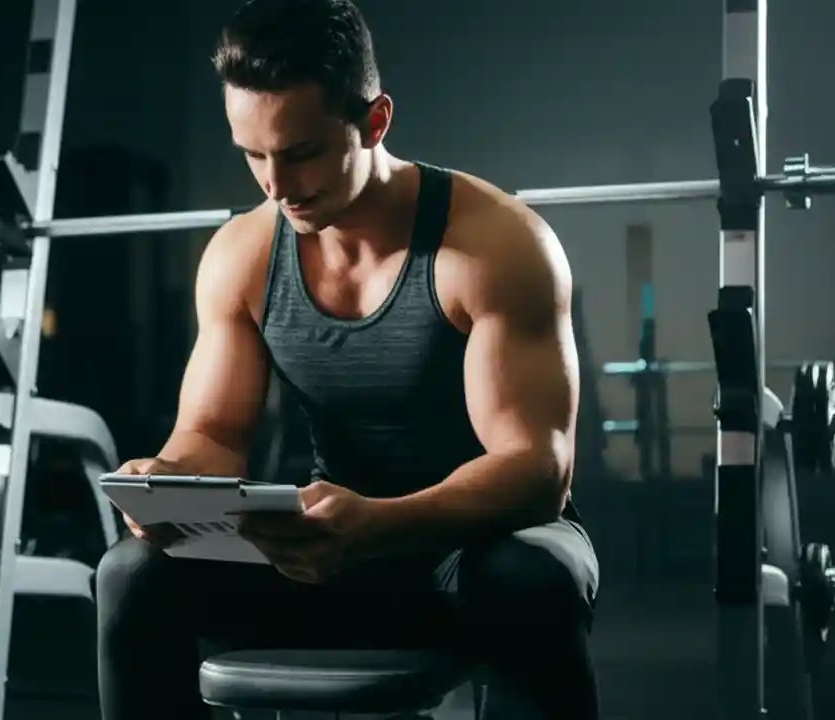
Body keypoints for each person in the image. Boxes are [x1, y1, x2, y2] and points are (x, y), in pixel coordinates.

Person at [94, 0, 600, 718]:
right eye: (252, 154)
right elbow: (211, 433)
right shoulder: (242, 255)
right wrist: (169, 482)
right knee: (131, 575)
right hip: (331, 549)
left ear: (375, 121)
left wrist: (382, 525)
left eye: (300, 152)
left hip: (473, 551)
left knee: (532, 576)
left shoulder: (496, 246)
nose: (274, 183)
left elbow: (536, 470)